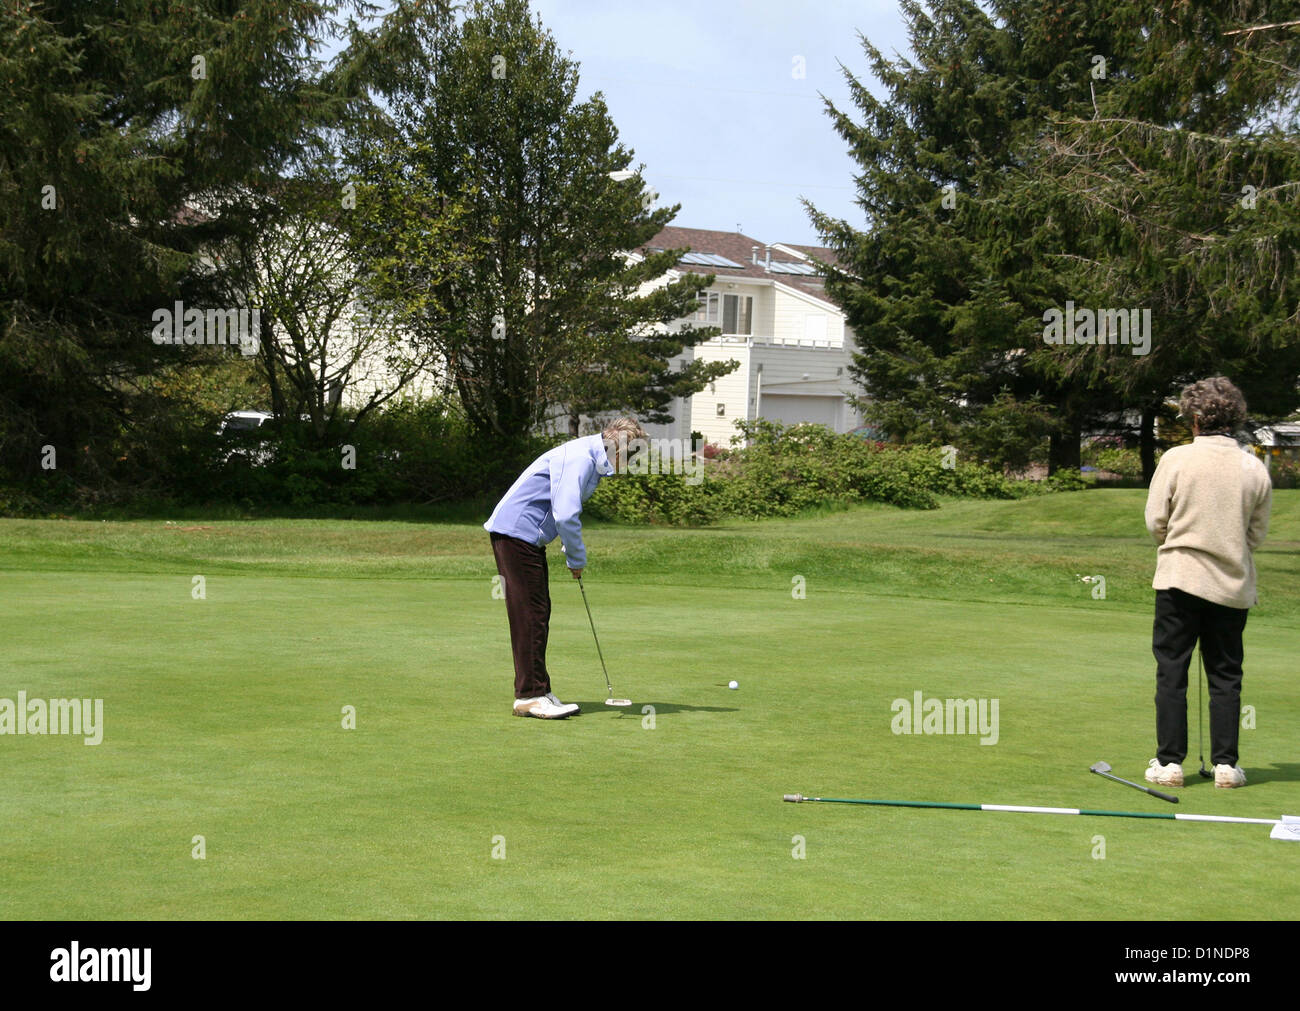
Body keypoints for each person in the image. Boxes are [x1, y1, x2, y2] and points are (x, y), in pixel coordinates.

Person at [1143, 377, 1271, 789]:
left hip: (1180, 578)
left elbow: (1156, 522)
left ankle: (1169, 763)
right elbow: (1256, 534)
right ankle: (1226, 765)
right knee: (1225, 675)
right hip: (1231, 586)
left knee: (1172, 671)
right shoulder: (1253, 466)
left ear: (1195, 418)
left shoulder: (1176, 459)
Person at [484, 417, 647, 719]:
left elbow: (558, 510)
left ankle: (538, 690)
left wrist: (569, 551)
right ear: (619, 449)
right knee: (531, 614)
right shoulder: (581, 458)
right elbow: (566, 514)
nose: (626, 465)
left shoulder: (588, 455)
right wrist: (576, 558)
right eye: (630, 456)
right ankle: (529, 695)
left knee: (537, 611)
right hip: (516, 534)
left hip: (523, 536)